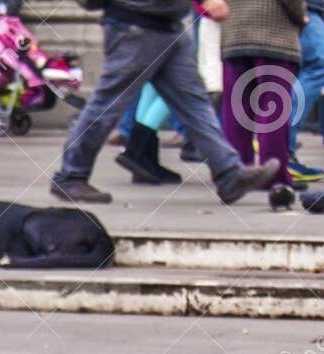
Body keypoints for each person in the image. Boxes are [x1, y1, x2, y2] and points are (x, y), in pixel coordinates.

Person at [53, 0, 283, 205]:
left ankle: (228, 173)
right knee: (108, 103)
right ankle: (71, 175)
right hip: (137, 24)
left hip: (166, 25)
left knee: (194, 102)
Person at [220, 0, 308, 190]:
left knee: (237, 111)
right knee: (273, 108)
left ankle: (238, 172)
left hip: (234, 32)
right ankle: (273, 176)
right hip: (273, 33)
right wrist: (301, 17)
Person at [289, 0, 324, 179]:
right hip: (305, 8)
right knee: (320, 66)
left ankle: (281, 149)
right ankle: (283, 150)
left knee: (297, 71)